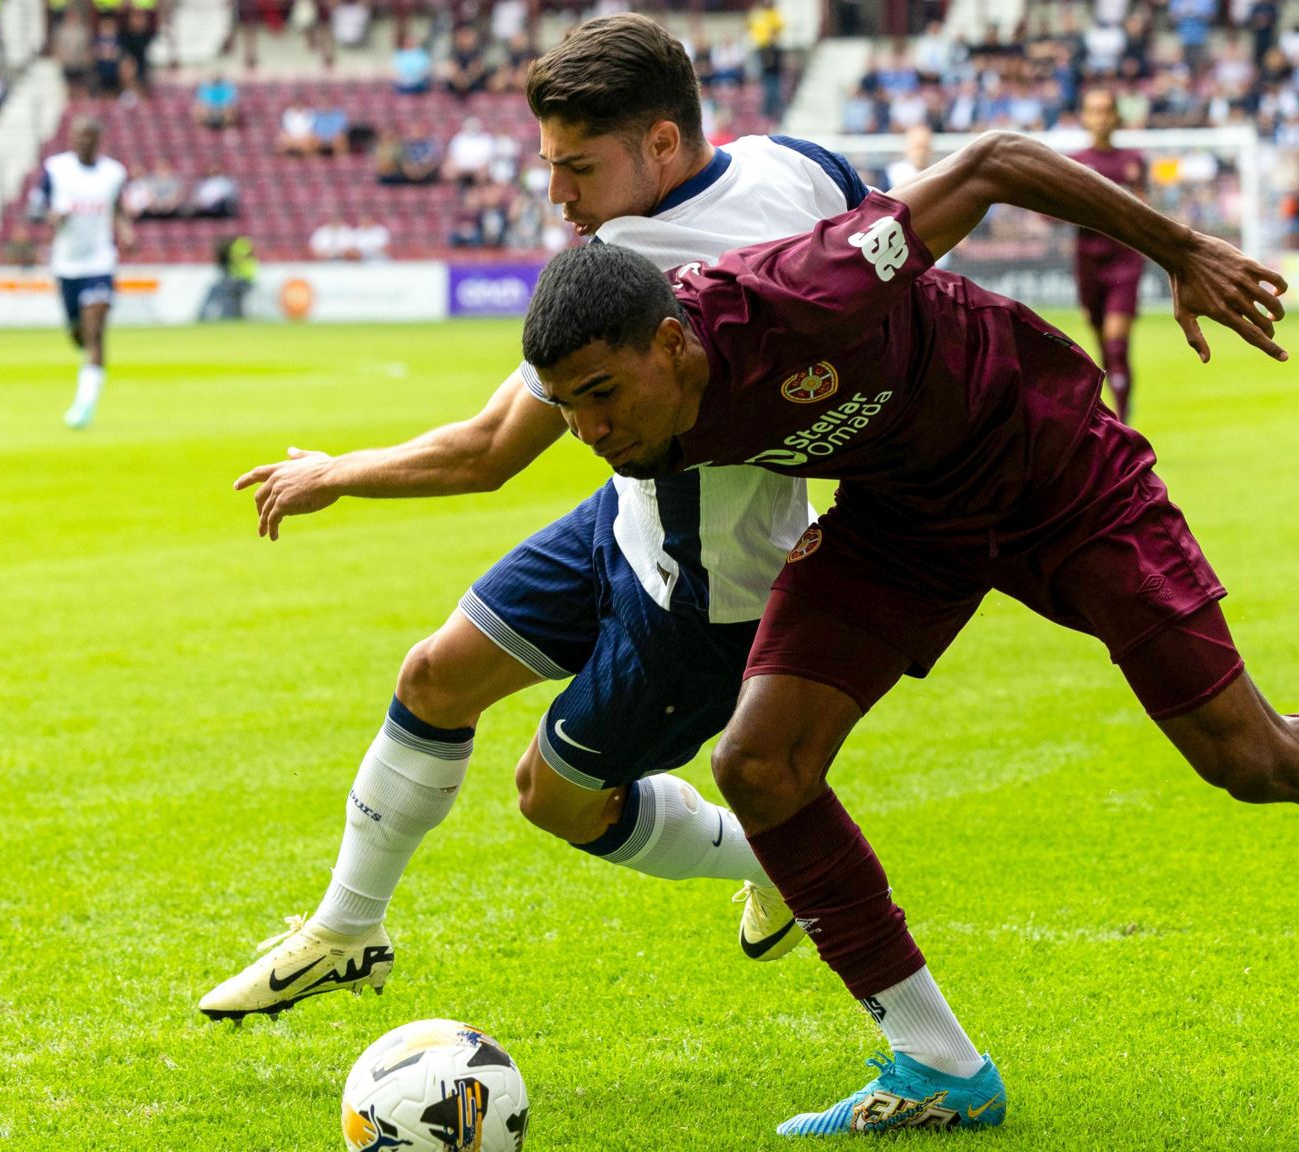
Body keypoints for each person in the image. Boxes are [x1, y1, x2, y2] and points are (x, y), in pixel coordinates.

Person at [516, 127, 1299, 1136]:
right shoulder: (631, 399)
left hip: (1057, 469)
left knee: (1246, 757)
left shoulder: (808, 288)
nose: (591, 431)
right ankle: (937, 1067)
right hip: (905, 520)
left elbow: (991, 162)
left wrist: (1178, 247)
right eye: (569, 408)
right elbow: (497, 446)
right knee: (760, 764)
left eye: (603, 397)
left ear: (671, 341)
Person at [200, 14, 879, 1021]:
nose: (557, 194)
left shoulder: (644, 264)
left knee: (553, 798)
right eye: (550, 165)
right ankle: (347, 930)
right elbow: (905, 287)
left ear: (658, 143)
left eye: (577, 168)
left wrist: (340, 474)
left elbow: (487, 454)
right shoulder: (799, 164)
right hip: (628, 514)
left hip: (703, 594)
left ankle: (773, 853)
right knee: (434, 677)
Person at [31, 116, 131, 430]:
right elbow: (35, 207)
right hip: (66, 265)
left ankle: (83, 406)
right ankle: (86, 354)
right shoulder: (56, 169)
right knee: (78, 333)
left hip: (100, 262)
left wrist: (126, 232)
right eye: (79, 135)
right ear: (71, 138)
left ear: (98, 139)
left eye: (90, 135)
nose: (84, 140)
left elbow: (119, 208)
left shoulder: (113, 173)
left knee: (95, 329)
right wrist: (51, 216)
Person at [1067, 86, 1148, 420]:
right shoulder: (1074, 164)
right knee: (1103, 348)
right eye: (1094, 110)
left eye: (1106, 110)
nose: (1101, 118)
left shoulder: (1133, 161)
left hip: (1125, 260)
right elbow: (1052, 210)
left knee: (1117, 344)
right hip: (1088, 261)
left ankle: (1124, 421)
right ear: (1085, 117)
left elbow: (1144, 209)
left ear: (1116, 116)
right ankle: (1113, 413)